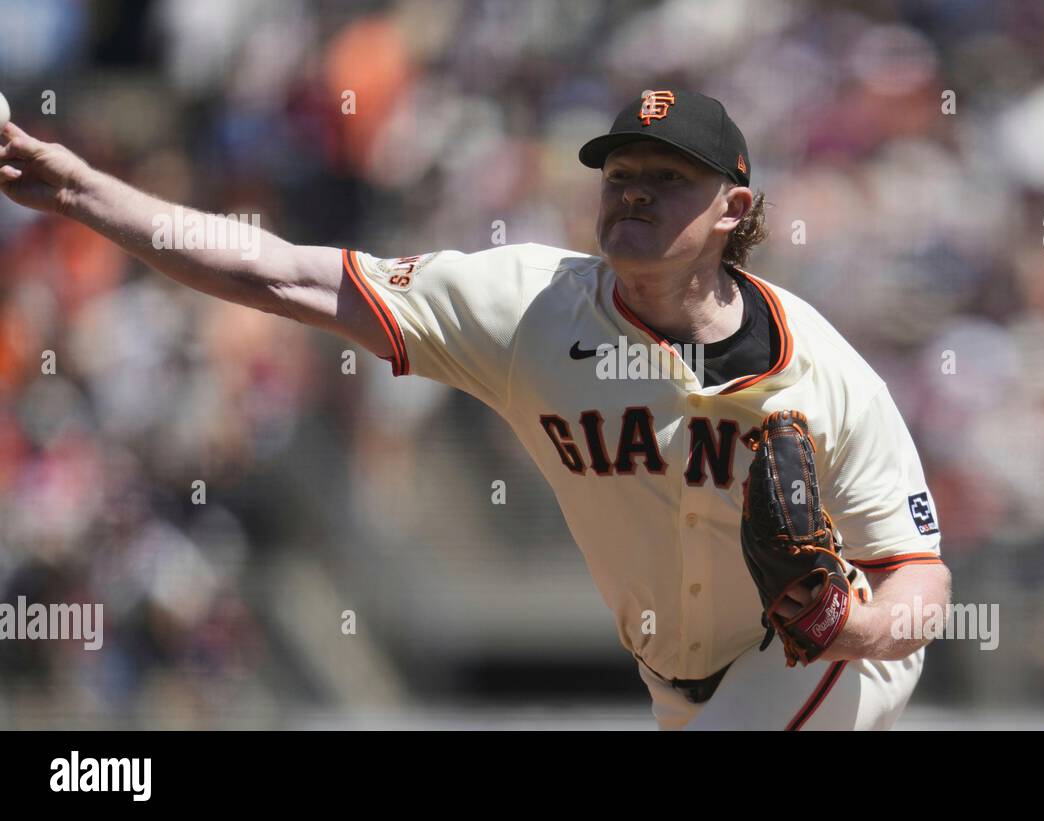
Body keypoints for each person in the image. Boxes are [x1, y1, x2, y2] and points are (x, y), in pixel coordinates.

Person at [0, 88, 951, 730]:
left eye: (669, 178)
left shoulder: (825, 371)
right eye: (621, 171)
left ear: (735, 209)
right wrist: (84, 193)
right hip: (676, 684)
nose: (633, 190)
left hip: (812, 661)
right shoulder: (525, 307)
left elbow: (923, 584)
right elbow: (283, 273)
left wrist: (850, 626)